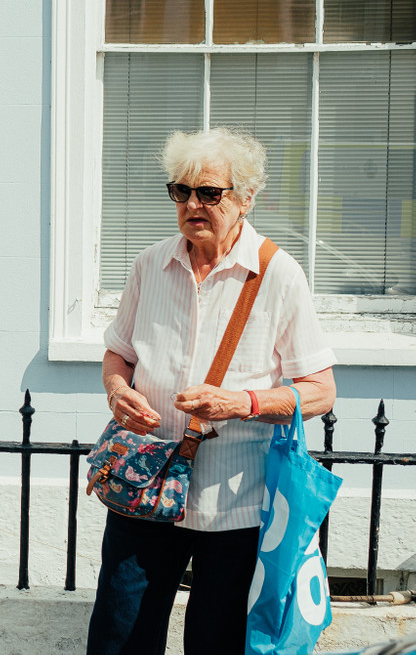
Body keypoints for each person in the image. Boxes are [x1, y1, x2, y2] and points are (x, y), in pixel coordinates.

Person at [87, 128, 336, 655]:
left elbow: (319, 391)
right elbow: (119, 353)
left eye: (209, 193)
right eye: (181, 192)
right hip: (147, 487)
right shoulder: (149, 264)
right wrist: (116, 390)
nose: (192, 205)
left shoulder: (279, 275)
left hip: (236, 502)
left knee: (216, 644)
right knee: (119, 637)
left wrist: (242, 403)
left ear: (247, 199)